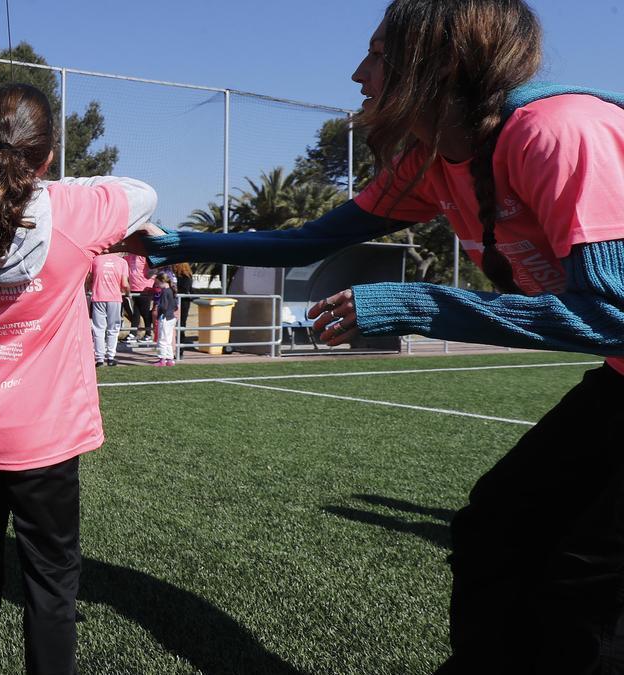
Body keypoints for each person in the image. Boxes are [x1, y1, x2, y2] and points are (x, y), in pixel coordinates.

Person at [126, 1, 624, 671]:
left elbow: (612, 314)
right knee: (494, 527)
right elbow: (311, 239)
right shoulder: (434, 162)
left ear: (440, 63)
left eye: (378, 55)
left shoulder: (561, 134)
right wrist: (177, 244)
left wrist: (418, 302)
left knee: (581, 582)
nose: (359, 74)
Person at [0, 83, 156, 675]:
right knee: (52, 583)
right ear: (46, 158)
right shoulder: (72, 212)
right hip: (46, 441)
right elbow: (143, 194)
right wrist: (48, 182)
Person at [89, 252, 129, 367]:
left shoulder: (96, 260)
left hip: (98, 297)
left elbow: (90, 279)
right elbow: (125, 284)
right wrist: (128, 294)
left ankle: (99, 358)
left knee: (98, 329)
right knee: (113, 329)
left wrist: (89, 288)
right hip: (114, 298)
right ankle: (111, 357)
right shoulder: (122, 262)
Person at [123, 252, 155, 344]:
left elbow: (154, 267)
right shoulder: (130, 256)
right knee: (135, 313)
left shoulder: (143, 256)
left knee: (145, 313)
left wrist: (150, 276)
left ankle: (148, 334)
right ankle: (133, 333)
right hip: (133, 287)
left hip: (144, 288)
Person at [150, 272, 179, 366]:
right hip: (171, 318)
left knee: (162, 339)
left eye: (158, 283)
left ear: (162, 281)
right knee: (168, 339)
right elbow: (175, 306)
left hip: (165, 317)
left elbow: (163, 306)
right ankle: (170, 359)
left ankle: (162, 359)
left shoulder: (165, 292)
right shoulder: (171, 290)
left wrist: (159, 312)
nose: (157, 285)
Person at [172, 263, 195, 357]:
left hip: (183, 303)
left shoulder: (184, 277)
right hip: (182, 302)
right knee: (178, 326)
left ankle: (180, 350)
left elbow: (184, 290)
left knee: (181, 326)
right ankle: (177, 350)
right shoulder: (185, 276)